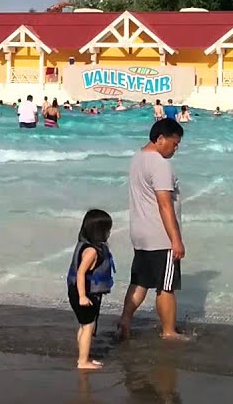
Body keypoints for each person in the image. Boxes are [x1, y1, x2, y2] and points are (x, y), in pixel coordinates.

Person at [116, 118, 187, 342]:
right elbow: (164, 204)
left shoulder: (138, 158)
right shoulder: (160, 164)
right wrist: (176, 240)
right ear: (160, 139)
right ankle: (169, 331)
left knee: (140, 281)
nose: (175, 149)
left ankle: (125, 320)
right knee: (166, 286)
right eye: (174, 144)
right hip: (160, 236)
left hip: (140, 233)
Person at [67, 209, 116, 370]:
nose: (109, 233)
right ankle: (83, 361)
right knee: (88, 327)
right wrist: (82, 296)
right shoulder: (91, 252)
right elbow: (81, 273)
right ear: (99, 231)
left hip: (78, 291)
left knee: (84, 325)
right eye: (107, 229)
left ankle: (83, 356)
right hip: (85, 294)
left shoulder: (86, 245)